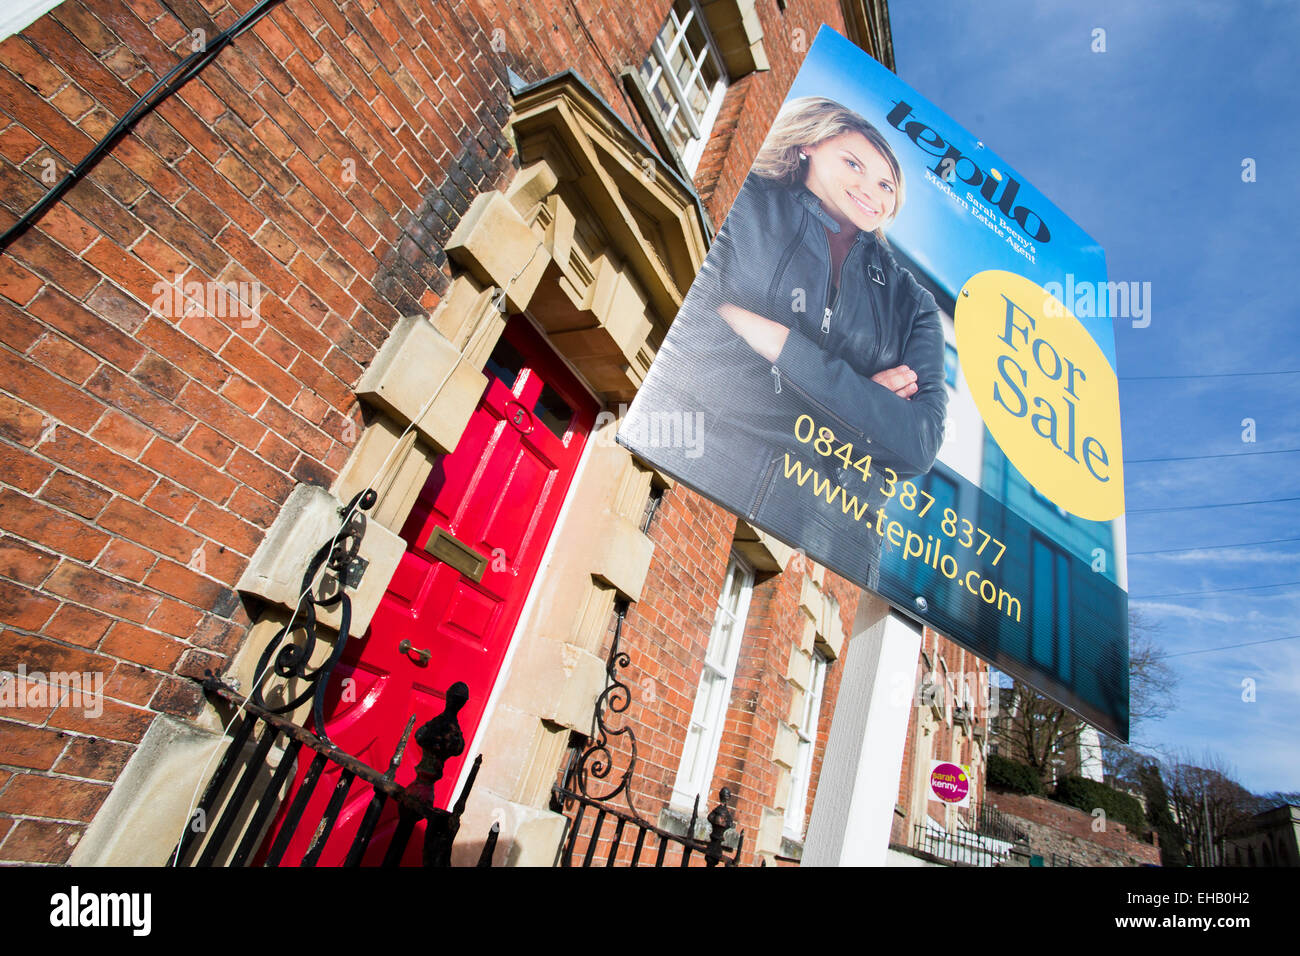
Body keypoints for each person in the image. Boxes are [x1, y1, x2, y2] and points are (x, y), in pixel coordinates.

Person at [622, 96, 947, 587]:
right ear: (809, 145)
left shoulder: (913, 303)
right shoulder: (750, 204)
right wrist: (859, 411)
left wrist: (777, 342)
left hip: (835, 526)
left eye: (886, 184)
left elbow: (918, 444)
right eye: (853, 164)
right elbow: (700, 348)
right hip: (708, 463)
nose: (870, 192)